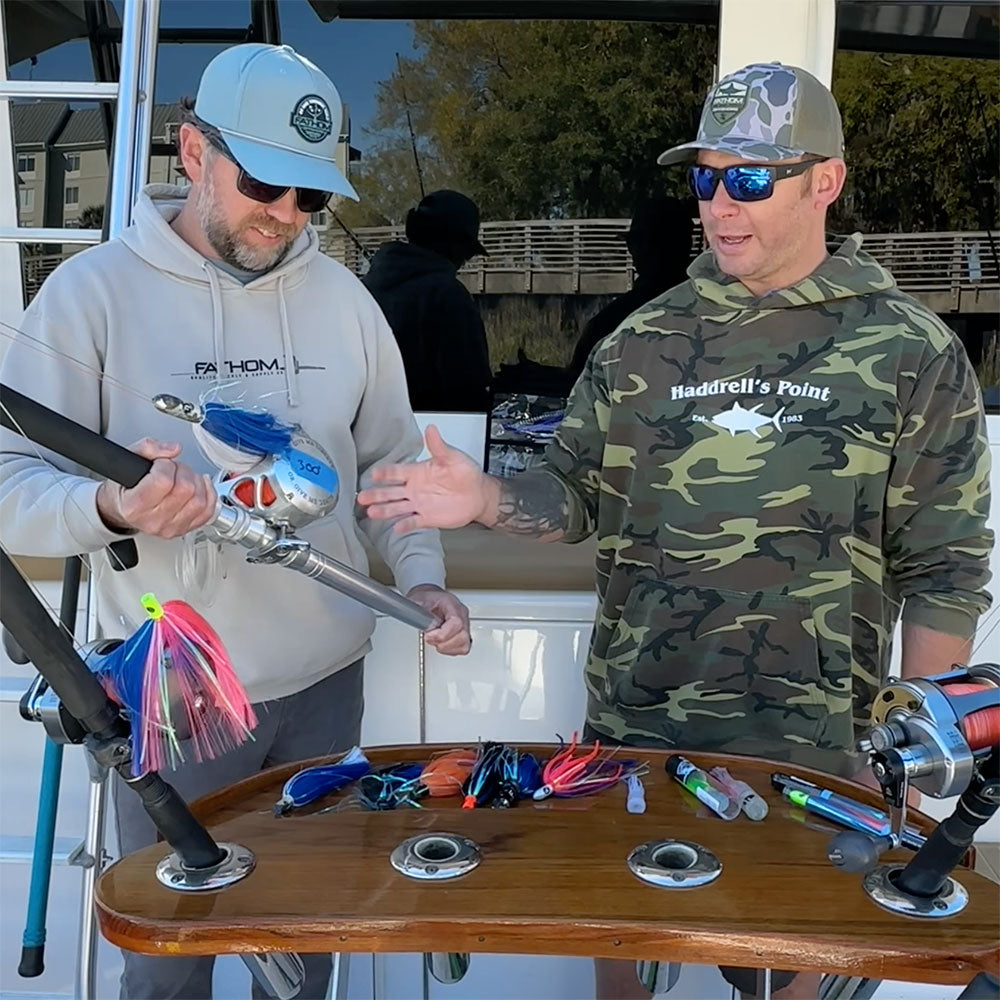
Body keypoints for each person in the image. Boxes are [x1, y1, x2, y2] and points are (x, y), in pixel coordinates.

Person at [358, 62, 993, 999]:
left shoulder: (912, 350)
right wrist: (486, 500)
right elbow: (574, 491)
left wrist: (919, 747)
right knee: (627, 944)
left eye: (748, 178)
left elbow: (943, 563)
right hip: (637, 722)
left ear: (826, 181)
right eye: (705, 177)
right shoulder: (641, 340)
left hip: (818, 741)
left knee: (797, 966)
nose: (719, 205)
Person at [0, 43, 471, 1000]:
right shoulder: (89, 297)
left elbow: (392, 464)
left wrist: (420, 573)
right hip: (179, 704)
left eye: (313, 197)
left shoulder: (346, 300)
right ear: (192, 152)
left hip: (328, 688)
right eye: (267, 184)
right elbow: (8, 484)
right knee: (175, 960)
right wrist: (107, 505)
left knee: (305, 947)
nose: (288, 216)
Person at [363, 188, 492, 412]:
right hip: (429, 437)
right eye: (467, 251)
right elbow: (469, 390)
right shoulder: (449, 296)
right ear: (453, 242)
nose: (464, 261)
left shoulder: (362, 289)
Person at [568, 196, 694, 378]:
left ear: (642, 246)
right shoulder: (724, 310)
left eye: (634, 242)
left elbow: (578, 388)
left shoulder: (611, 323)